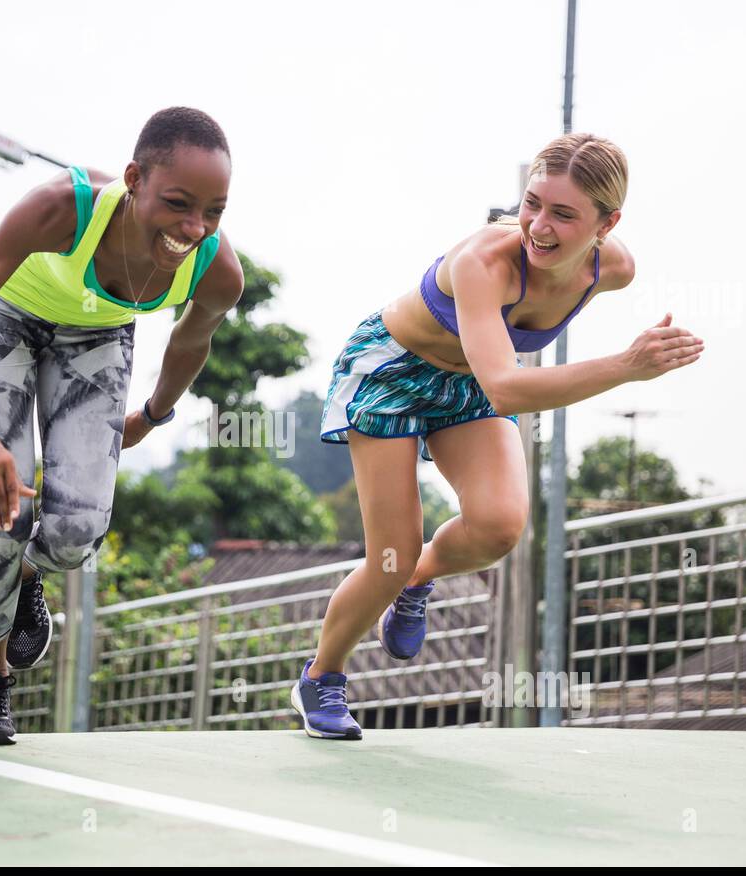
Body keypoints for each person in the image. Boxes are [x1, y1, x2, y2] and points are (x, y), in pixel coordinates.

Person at [298, 132, 703, 739]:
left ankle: (419, 578)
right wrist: (626, 366)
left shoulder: (611, 270)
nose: (538, 226)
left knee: (498, 527)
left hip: (469, 386)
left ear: (607, 222)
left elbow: (496, 382)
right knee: (389, 554)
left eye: (564, 214)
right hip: (392, 373)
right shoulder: (483, 261)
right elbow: (509, 388)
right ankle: (321, 680)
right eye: (532, 203)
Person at [0, 107, 244, 744]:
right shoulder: (62, 209)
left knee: (75, 533)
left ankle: (29, 577)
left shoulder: (216, 271)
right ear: (134, 180)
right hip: (4, 316)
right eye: (177, 203)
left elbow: (189, 342)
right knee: (2, 520)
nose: (193, 227)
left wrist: (153, 413)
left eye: (214, 212)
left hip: (95, 336)